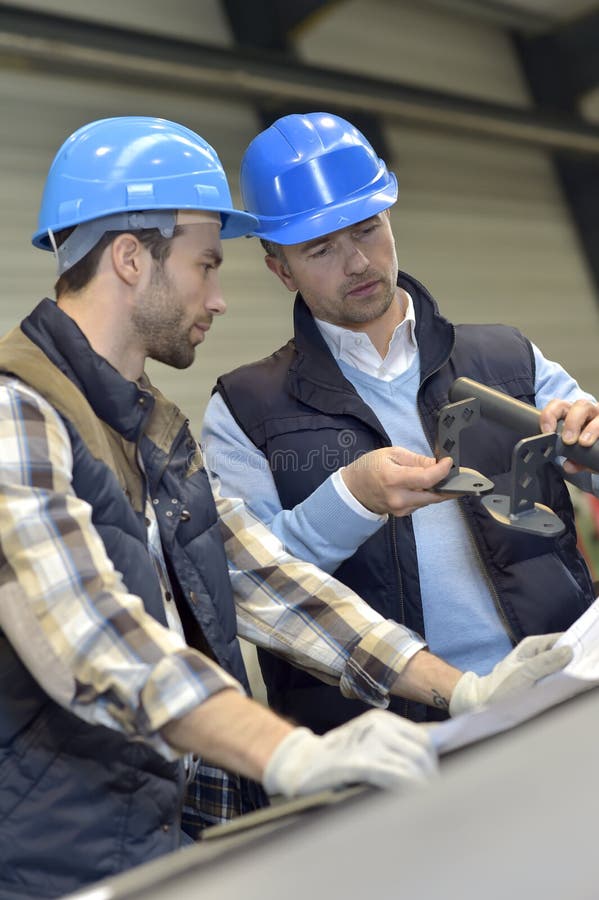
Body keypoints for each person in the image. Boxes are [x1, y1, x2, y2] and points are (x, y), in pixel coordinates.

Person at [0, 116, 572, 900]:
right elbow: (95, 641)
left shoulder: (147, 424)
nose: (219, 297)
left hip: (174, 825)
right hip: (66, 858)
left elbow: (267, 582)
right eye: (204, 266)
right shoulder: (17, 413)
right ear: (131, 259)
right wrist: (289, 752)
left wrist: (459, 691)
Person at [202, 110, 597, 733]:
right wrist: (349, 500)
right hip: (393, 736)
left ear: (390, 217)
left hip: (559, 688)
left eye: (367, 229)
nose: (356, 262)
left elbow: (591, 456)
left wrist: (587, 447)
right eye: (321, 249)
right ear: (280, 268)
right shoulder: (244, 410)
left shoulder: (506, 357)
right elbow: (243, 581)